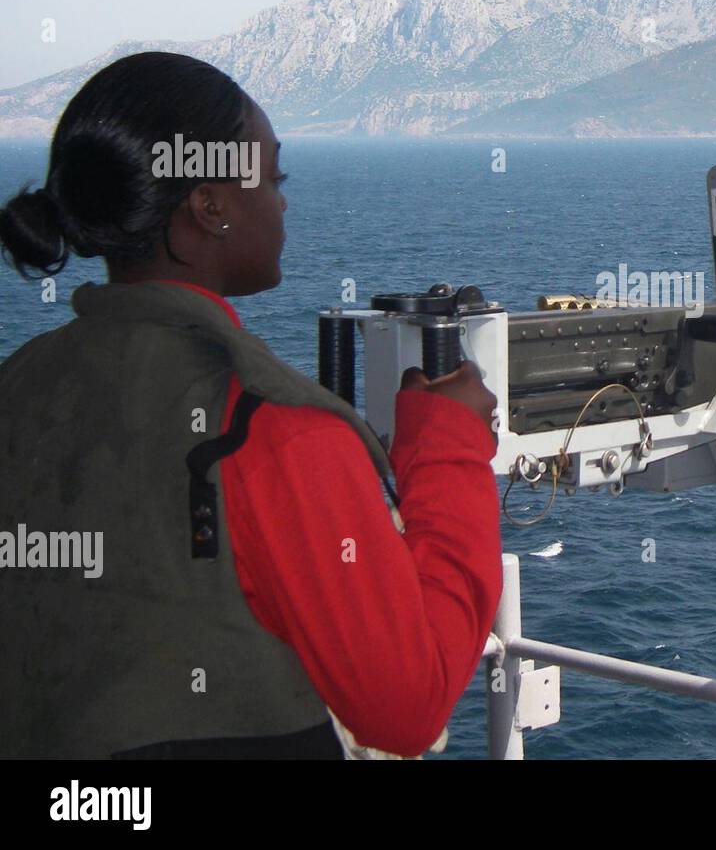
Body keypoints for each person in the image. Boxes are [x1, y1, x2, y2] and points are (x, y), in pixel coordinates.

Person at [0, 52, 502, 759]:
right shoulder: (271, 428)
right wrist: (449, 446)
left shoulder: (19, 383)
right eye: (273, 177)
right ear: (210, 206)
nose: (284, 200)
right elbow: (406, 705)